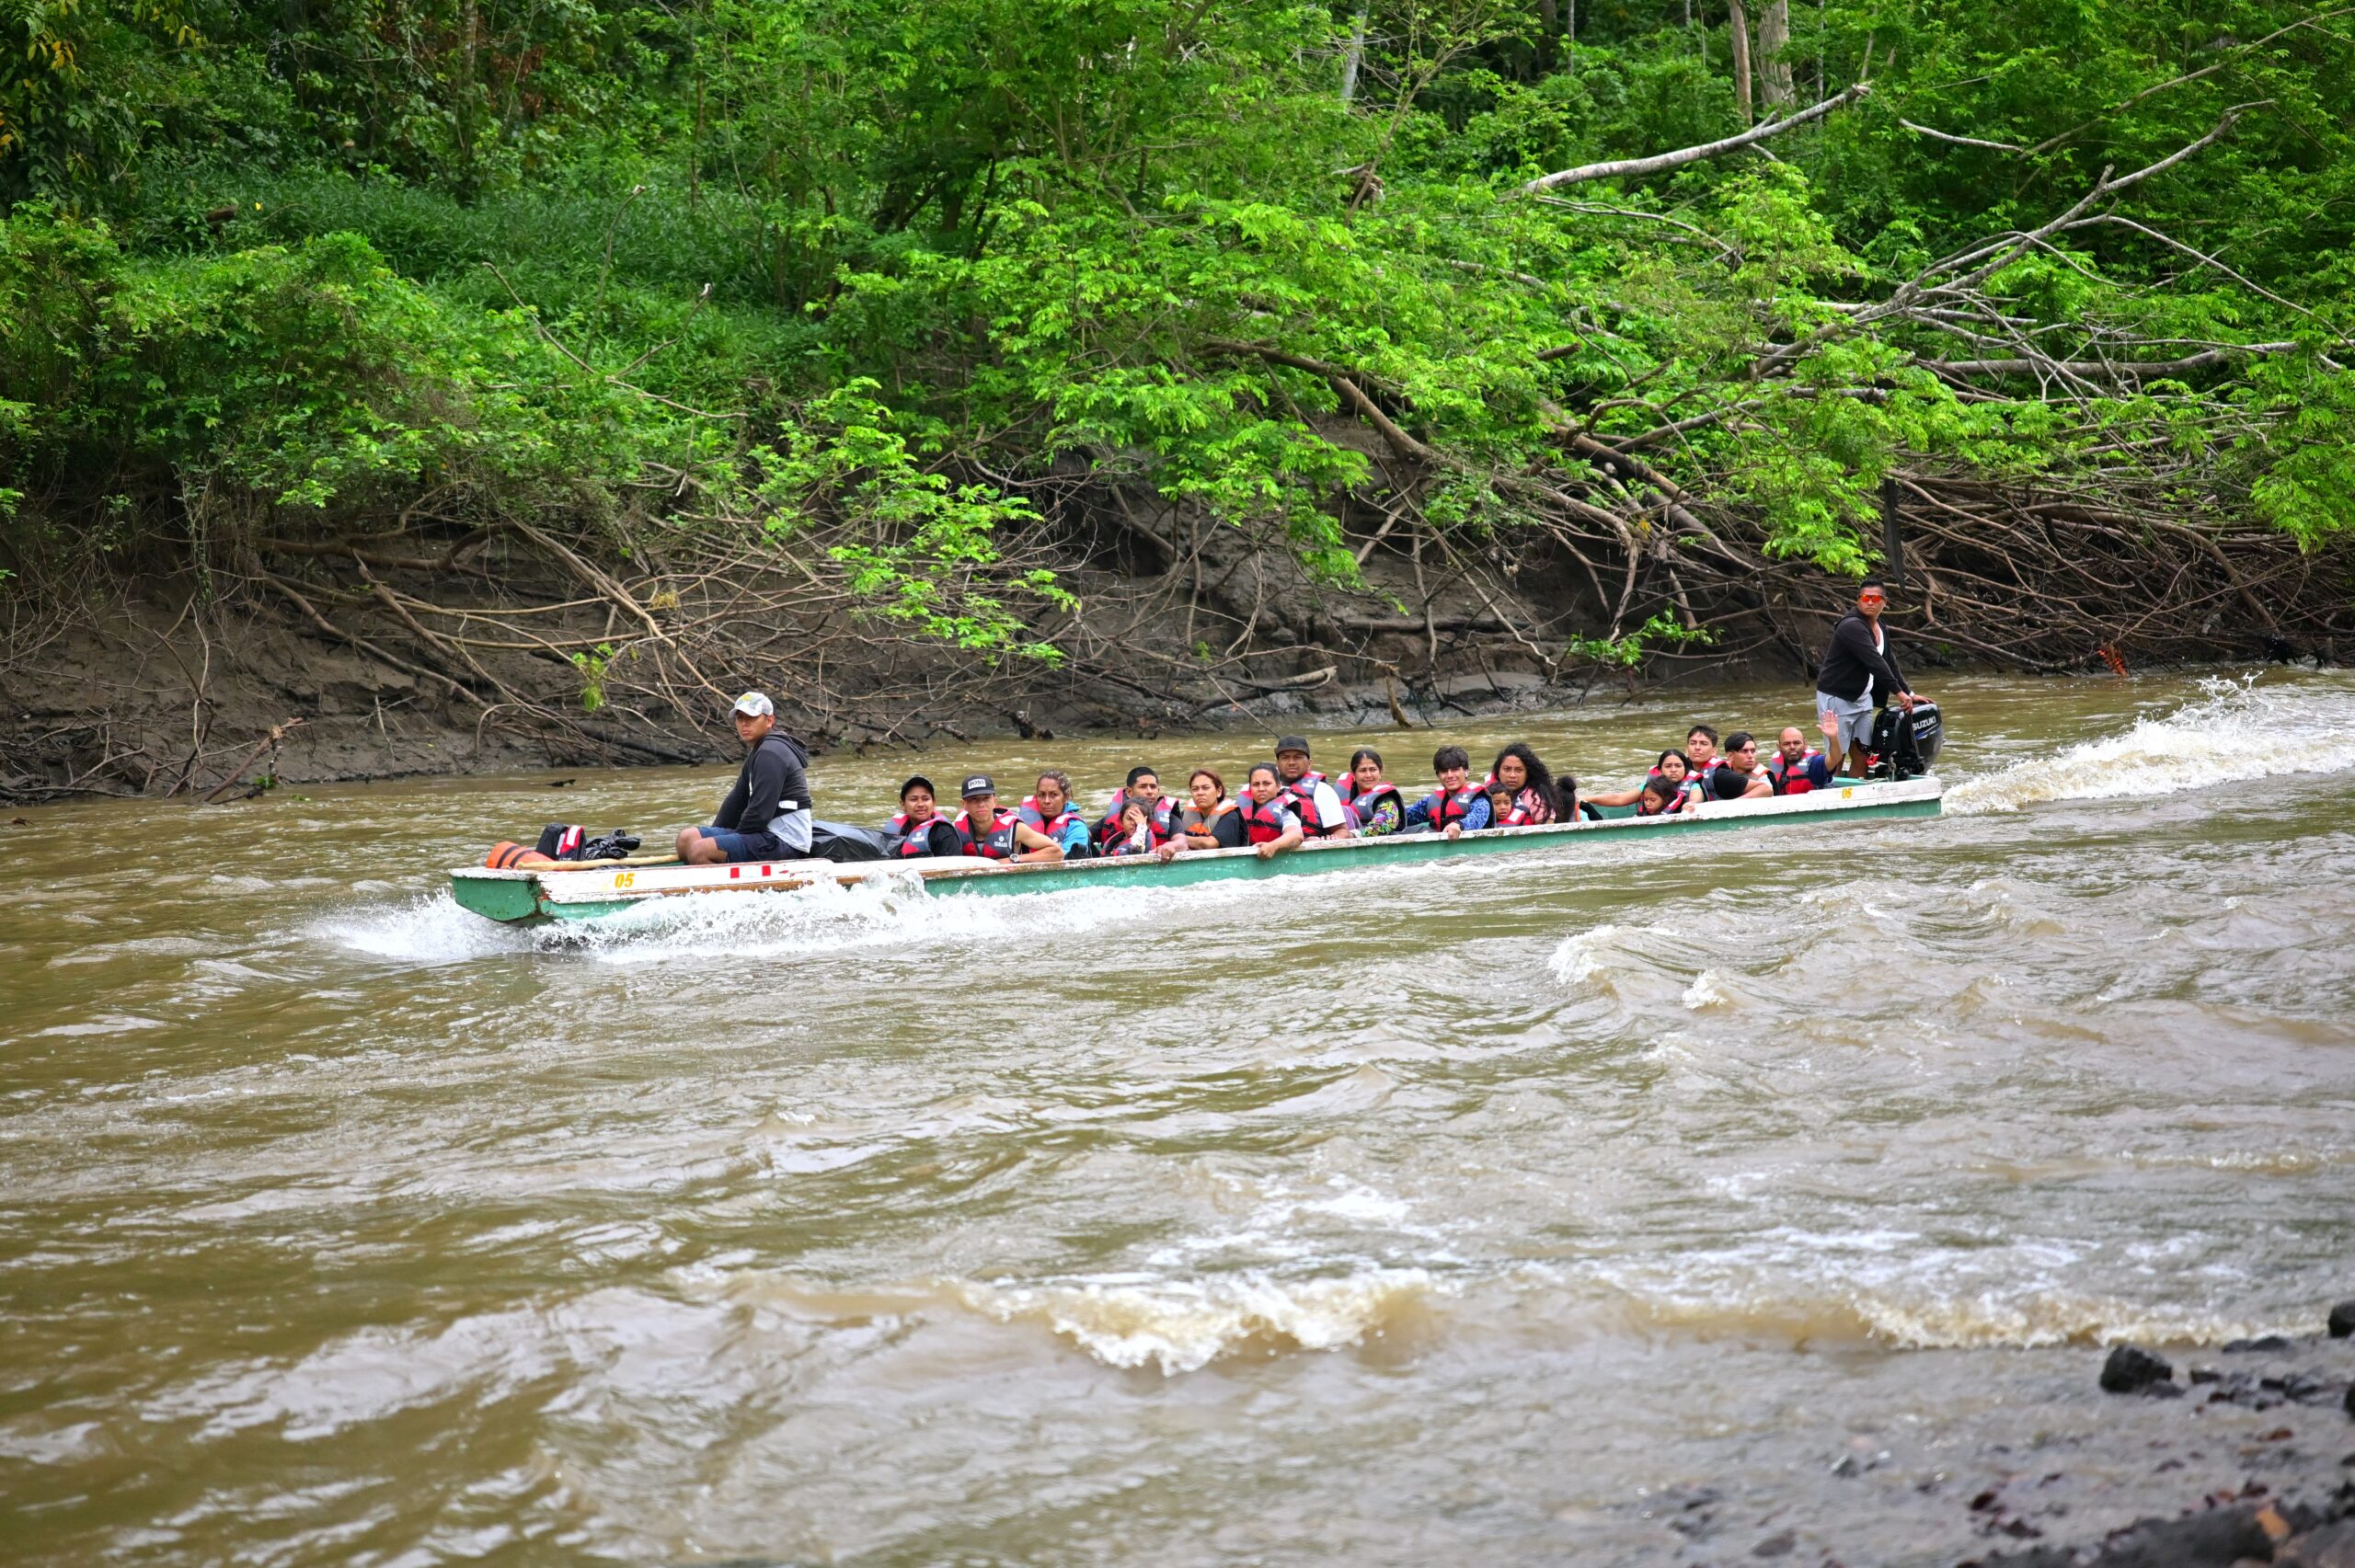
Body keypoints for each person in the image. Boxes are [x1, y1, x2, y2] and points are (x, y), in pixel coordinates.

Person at [675, 692, 815, 864]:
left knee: (700, 851)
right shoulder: (758, 751)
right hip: (763, 834)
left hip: (786, 842)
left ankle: (719, 888)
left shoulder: (771, 752)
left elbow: (760, 813)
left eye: (751, 717)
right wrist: (719, 837)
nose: (744, 723)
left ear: (769, 721)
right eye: (740, 718)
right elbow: (736, 801)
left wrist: (726, 843)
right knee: (686, 839)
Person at [1816, 579, 1924, 776]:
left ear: (1885, 602)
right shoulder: (1851, 626)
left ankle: (1858, 793)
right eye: (1865, 598)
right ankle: (1833, 793)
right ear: (1858, 600)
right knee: (1837, 754)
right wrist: (1899, 694)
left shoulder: (1880, 626)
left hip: (1863, 699)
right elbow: (1874, 662)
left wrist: (1909, 692)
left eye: (1875, 599)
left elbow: (1889, 661)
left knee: (1862, 754)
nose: (1870, 603)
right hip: (1838, 697)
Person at [953, 775, 1058, 862]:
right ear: (964, 804)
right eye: (974, 799)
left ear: (995, 801)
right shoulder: (955, 830)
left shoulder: (1015, 828)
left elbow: (1057, 852)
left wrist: (1013, 859)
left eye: (986, 798)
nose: (981, 804)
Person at [1272, 736, 1354, 840]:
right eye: (1285, 758)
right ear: (1277, 764)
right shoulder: (1264, 788)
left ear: (1309, 763)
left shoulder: (1322, 790)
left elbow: (1341, 831)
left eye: (1298, 757)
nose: (1291, 762)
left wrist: (1327, 841)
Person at [1403, 744, 1491, 838]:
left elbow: (1476, 818)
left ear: (1466, 772)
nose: (1449, 775)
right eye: (1444, 771)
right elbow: (1405, 816)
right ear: (1438, 775)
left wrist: (1459, 825)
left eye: (1455, 770)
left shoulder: (1479, 800)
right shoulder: (1430, 801)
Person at [1159, 767, 1245, 859]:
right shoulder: (1186, 814)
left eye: (1206, 788)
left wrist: (1178, 841)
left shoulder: (1231, 816)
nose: (1200, 793)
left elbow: (1210, 844)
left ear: (1219, 791)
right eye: (1195, 789)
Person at [1096, 765, 1176, 853]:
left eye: (1153, 787)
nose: (1149, 791)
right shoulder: (1119, 814)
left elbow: (1182, 842)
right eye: (1143, 786)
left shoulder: (1167, 816)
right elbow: (1089, 834)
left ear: (1148, 824)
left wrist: (1167, 847)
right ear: (1129, 792)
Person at [1486, 742, 1569, 825]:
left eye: (1519, 770)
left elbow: (1546, 833)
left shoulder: (1536, 798)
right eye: (1507, 769)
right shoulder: (1487, 792)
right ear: (1498, 772)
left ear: (1527, 774)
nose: (1512, 775)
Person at [1017, 770, 1092, 862]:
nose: (1046, 801)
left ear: (1065, 797)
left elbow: (1064, 860)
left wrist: (1015, 859)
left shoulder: (1076, 827)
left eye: (1053, 795)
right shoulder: (1021, 822)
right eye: (1042, 795)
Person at [1235, 762, 1305, 859]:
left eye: (1267, 783)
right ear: (1250, 788)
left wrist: (1273, 846)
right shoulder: (1238, 809)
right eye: (1255, 784)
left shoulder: (1285, 812)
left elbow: (1296, 835)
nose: (1261, 789)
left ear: (1278, 786)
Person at [886, 775, 966, 858]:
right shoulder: (894, 831)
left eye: (925, 799)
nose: (920, 804)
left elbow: (952, 868)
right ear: (903, 805)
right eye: (913, 799)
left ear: (933, 802)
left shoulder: (944, 832)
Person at [1590, 749, 1694, 809]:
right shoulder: (1650, 786)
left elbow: (1695, 799)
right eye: (1668, 766)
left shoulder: (1693, 785)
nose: (1673, 770)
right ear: (1660, 770)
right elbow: (1619, 798)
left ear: (1685, 768)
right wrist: (1588, 798)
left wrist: (1691, 804)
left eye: (1678, 766)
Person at [1340, 748, 1407, 836]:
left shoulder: (1386, 800)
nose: (1368, 775)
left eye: (1373, 770)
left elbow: (1385, 823)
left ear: (1380, 773)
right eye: (1362, 770)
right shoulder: (1344, 795)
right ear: (1353, 774)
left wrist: (1353, 835)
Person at [1697, 732, 1775, 800]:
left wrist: (1736, 803)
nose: (1750, 756)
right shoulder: (1720, 772)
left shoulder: (1762, 776)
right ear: (1730, 756)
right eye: (1744, 751)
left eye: (1753, 751)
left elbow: (1768, 791)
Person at [1766, 726, 1832, 795]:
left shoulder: (1815, 763)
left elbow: (1834, 759)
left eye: (1796, 743)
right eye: (1786, 744)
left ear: (1805, 744)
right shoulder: (1776, 763)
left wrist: (1833, 738)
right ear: (1779, 747)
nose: (1792, 747)